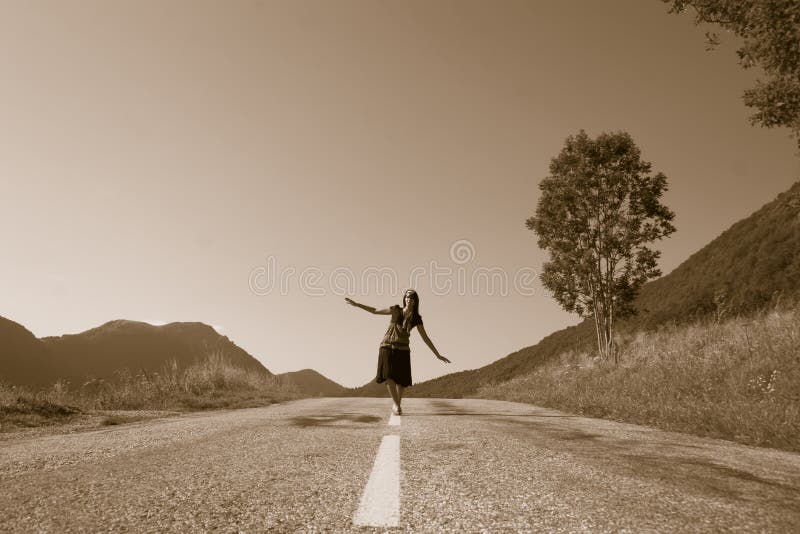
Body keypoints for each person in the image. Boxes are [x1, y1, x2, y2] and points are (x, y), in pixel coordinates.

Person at [345, 289, 450, 415]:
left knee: (401, 381)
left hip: (403, 349)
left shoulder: (416, 318)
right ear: (404, 299)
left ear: (415, 301)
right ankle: (396, 405)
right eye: (406, 297)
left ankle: (397, 405)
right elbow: (375, 311)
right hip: (387, 345)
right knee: (388, 376)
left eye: (411, 297)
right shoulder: (395, 309)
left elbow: (425, 338)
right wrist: (357, 304)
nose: (408, 299)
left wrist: (437, 354)